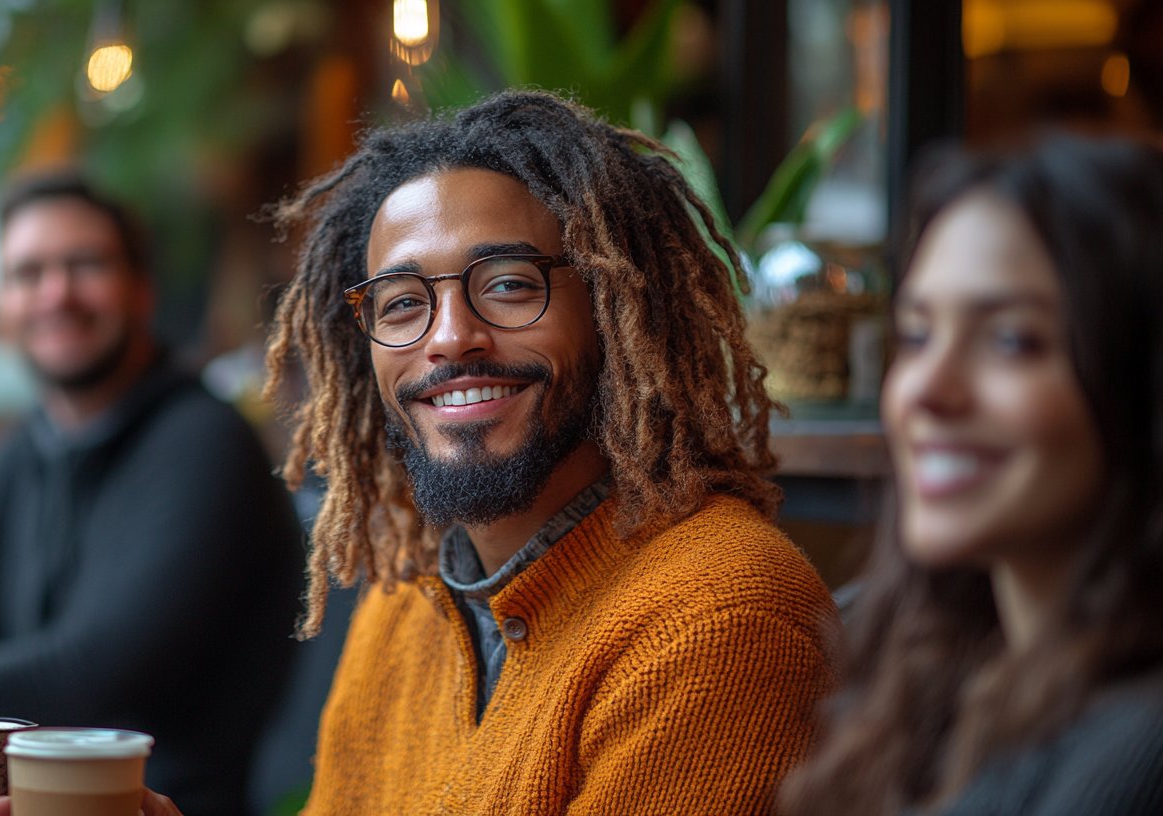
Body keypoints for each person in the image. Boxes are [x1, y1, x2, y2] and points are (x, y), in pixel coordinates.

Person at [255, 90, 838, 813]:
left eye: (508, 285)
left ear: (612, 307)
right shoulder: (406, 599)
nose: (450, 338)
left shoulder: (719, 618)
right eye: (402, 302)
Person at [0, 173, 303, 816]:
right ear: (3, 305)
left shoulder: (204, 441)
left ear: (142, 289)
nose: (56, 294)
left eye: (85, 265)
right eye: (28, 273)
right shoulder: (19, 452)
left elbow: (92, 675)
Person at [780, 134, 1163, 815]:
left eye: (1011, 340)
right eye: (917, 335)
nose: (927, 388)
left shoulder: (1134, 756)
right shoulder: (946, 677)